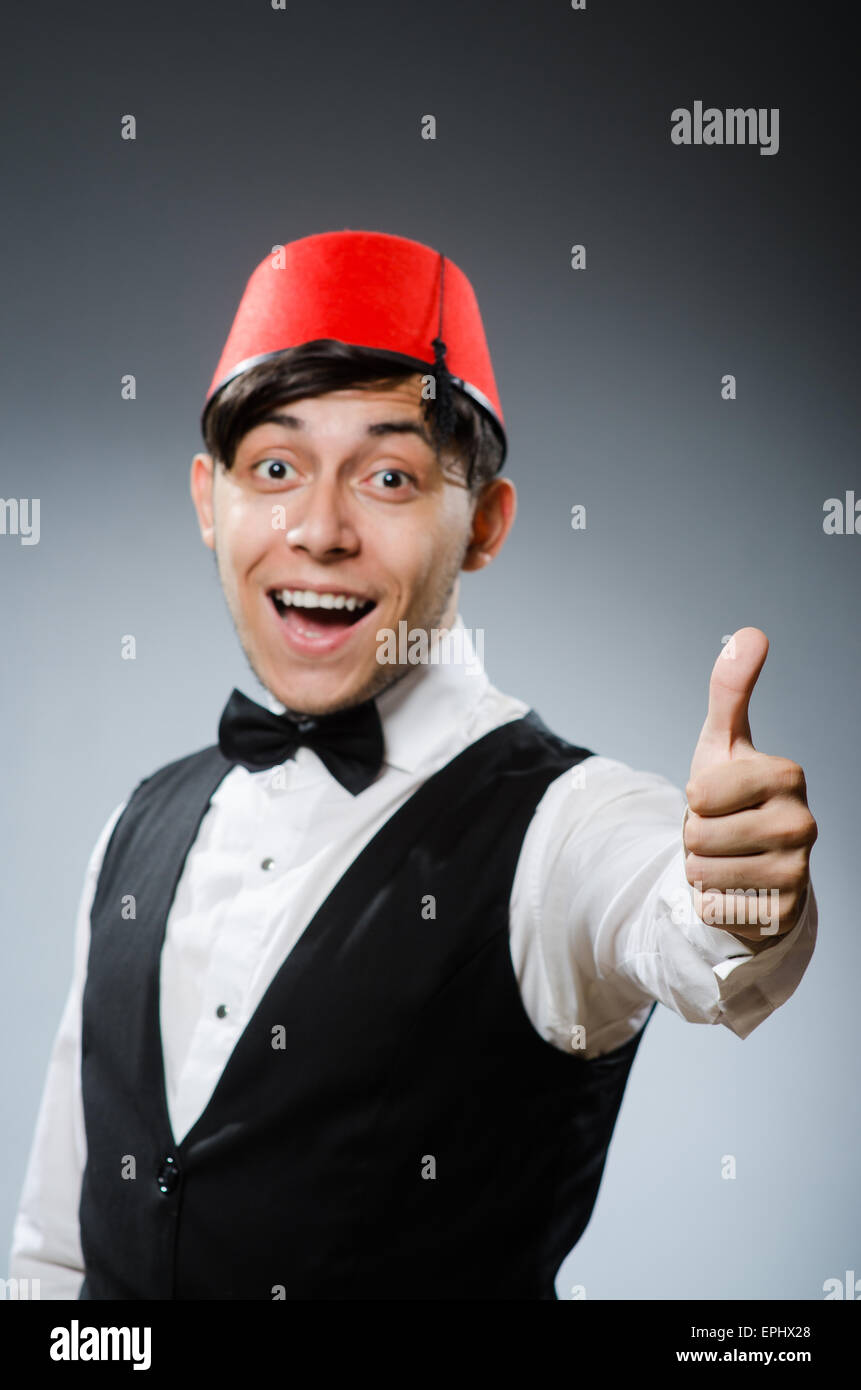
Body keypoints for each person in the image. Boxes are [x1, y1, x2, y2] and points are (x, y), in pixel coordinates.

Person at [9, 229, 818, 1300]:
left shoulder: (563, 827)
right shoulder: (137, 822)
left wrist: (741, 898)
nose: (317, 529)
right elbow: (55, 1249)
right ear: (211, 501)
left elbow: (676, 918)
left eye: (388, 475)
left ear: (483, 522)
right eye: (276, 468)